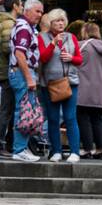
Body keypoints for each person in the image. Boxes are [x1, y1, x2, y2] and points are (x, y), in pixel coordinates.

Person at [39, 9, 84, 163]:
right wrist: (52, 44)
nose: (60, 23)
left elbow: (79, 60)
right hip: (49, 84)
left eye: (62, 20)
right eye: (57, 21)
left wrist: (71, 57)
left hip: (70, 83)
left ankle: (75, 152)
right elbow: (43, 58)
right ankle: (56, 151)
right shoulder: (42, 37)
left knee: (70, 117)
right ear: (50, 23)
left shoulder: (71, 37)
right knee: (52, 119)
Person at [9, 0, 44, 162]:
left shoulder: (26, 27)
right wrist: (30, 78)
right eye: (37, 11)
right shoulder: (24, 28)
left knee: (24, 111)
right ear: (27, 11)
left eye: (41, 12)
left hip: (21, 73)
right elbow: (19, 54)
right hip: (23, 73)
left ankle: (21, 148)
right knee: (23, 111)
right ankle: (19, 150)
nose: (40, 15)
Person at [0, 0, 24, 156]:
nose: (23, 7)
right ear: (15, 7)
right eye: (21, 4)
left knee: (8, 109)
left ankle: (6, 144)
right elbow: (8, 47)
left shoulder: (4, 23)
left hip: (3, 70)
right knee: (7, 110)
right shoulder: (9, 24)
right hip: (8, 70)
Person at [76, 22, 102, 160]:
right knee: (98, 119)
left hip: (83, 88)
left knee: (83, 118)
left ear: (85, 31)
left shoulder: (82, 46)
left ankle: (87, 149)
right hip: (100, 89)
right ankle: (99, 150)